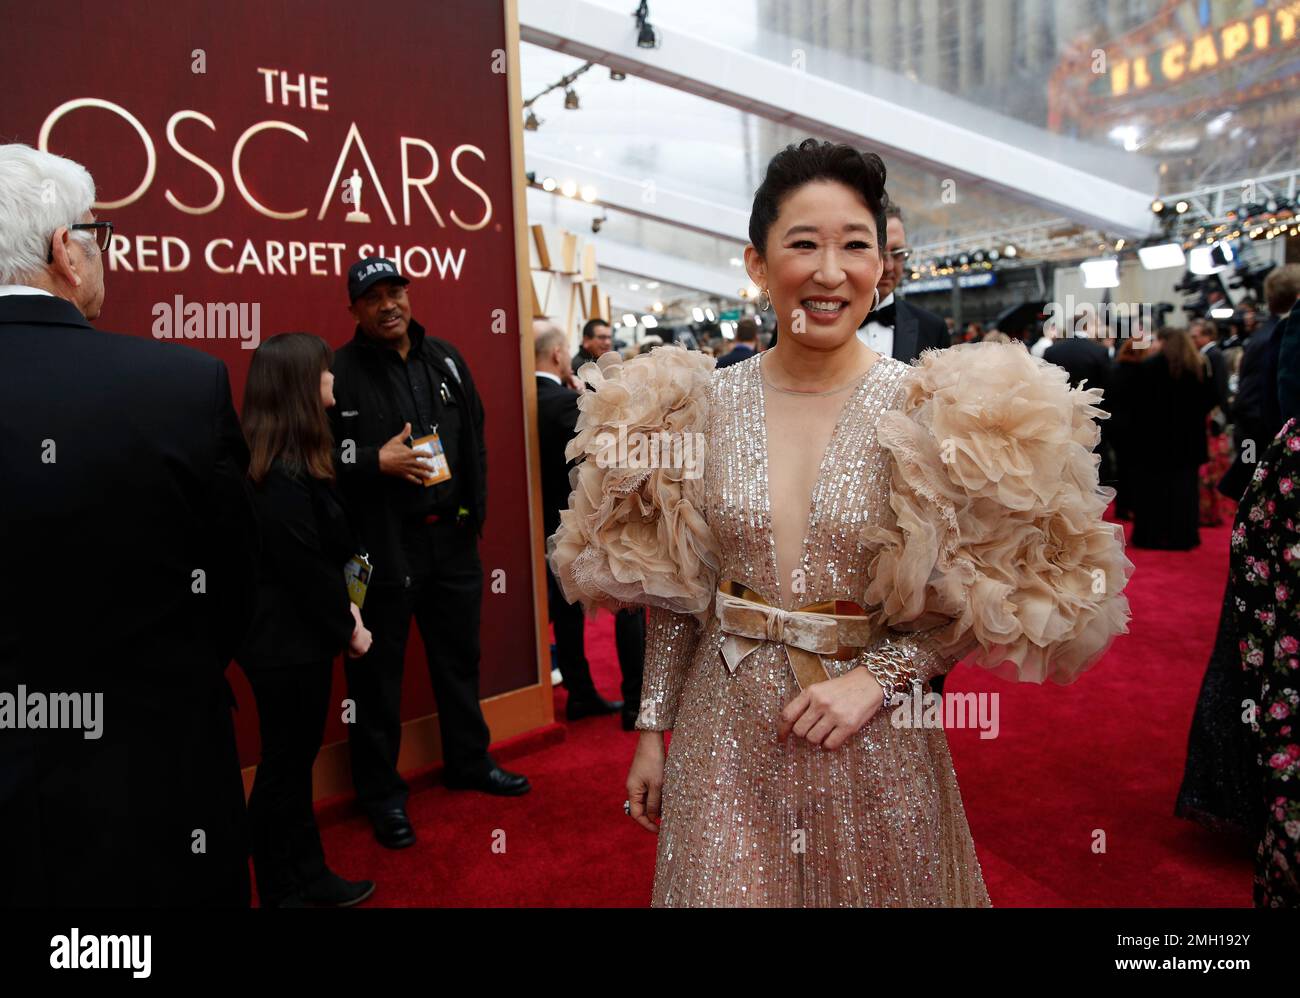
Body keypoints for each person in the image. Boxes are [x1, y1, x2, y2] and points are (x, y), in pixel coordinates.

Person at [550, 139, 1131, 906]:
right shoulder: (692, 408)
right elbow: (677, 586)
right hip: (722, 736)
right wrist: (653, 727)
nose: (831, 272)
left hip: (876, 736)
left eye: (856, 245)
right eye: (803, 245)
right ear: (757, 264)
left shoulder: (937, 411)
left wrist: (880, 680)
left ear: (882, 266)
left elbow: (1009, 593)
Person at [0, 143, 257, 905]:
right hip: (156, 781)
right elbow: (234, 587)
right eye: (98, 236)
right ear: (63, 253)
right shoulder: (182, 385)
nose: (105, 256)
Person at [328, 257, 529, 851]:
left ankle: (469, 761)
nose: (389, 304)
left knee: (459, 661)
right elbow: (319, 460)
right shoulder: (337, 372)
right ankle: (382, 797)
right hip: (380, 550)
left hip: (451, 541)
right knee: (376, 679)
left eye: (396, 292)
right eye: (374, 298)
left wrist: (475, 517)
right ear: (355, 310)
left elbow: (476, 440)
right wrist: (374, 461)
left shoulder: (445, 358)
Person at [238, 332, 377, 907]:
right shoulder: (281, 474)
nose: (333, 382)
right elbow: (304, 568)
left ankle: (303, 877)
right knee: (284, 768)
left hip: (294, 642)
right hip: (287, 646)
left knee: (291, 765)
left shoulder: (288, 459)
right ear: (300, 383)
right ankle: (283, 885)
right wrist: (351, 626)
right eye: (323, 373)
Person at [534, 319, 640, 725]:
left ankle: (580, 693)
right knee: (629, 605)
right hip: (585, 525)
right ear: (560, 354)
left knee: (566, 612)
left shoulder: (525, 400)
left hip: (540, 526)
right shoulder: (565, 403)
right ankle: (636, 702)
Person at [1118, 327, 1218, 550]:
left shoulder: (1148, 367)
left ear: (1163, 342)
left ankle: (1150, 535)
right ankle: (1183, 536)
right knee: (1184, 491)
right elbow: (1211, 399)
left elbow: (1136, 407)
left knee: (1152, 492)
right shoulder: (1198, 368)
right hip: (1188, 442)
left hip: (1154, 441)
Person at [1219, 266, 1300, 500]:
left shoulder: (1269, 333)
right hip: (1264, 439)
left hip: (1261, 436)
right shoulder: (1278, 335)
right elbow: (1253, 399)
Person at [855, 202, 948, 364]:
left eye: (898, 253)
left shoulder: (933, 328)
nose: (889, 266)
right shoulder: (826, 321)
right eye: (880, 252)